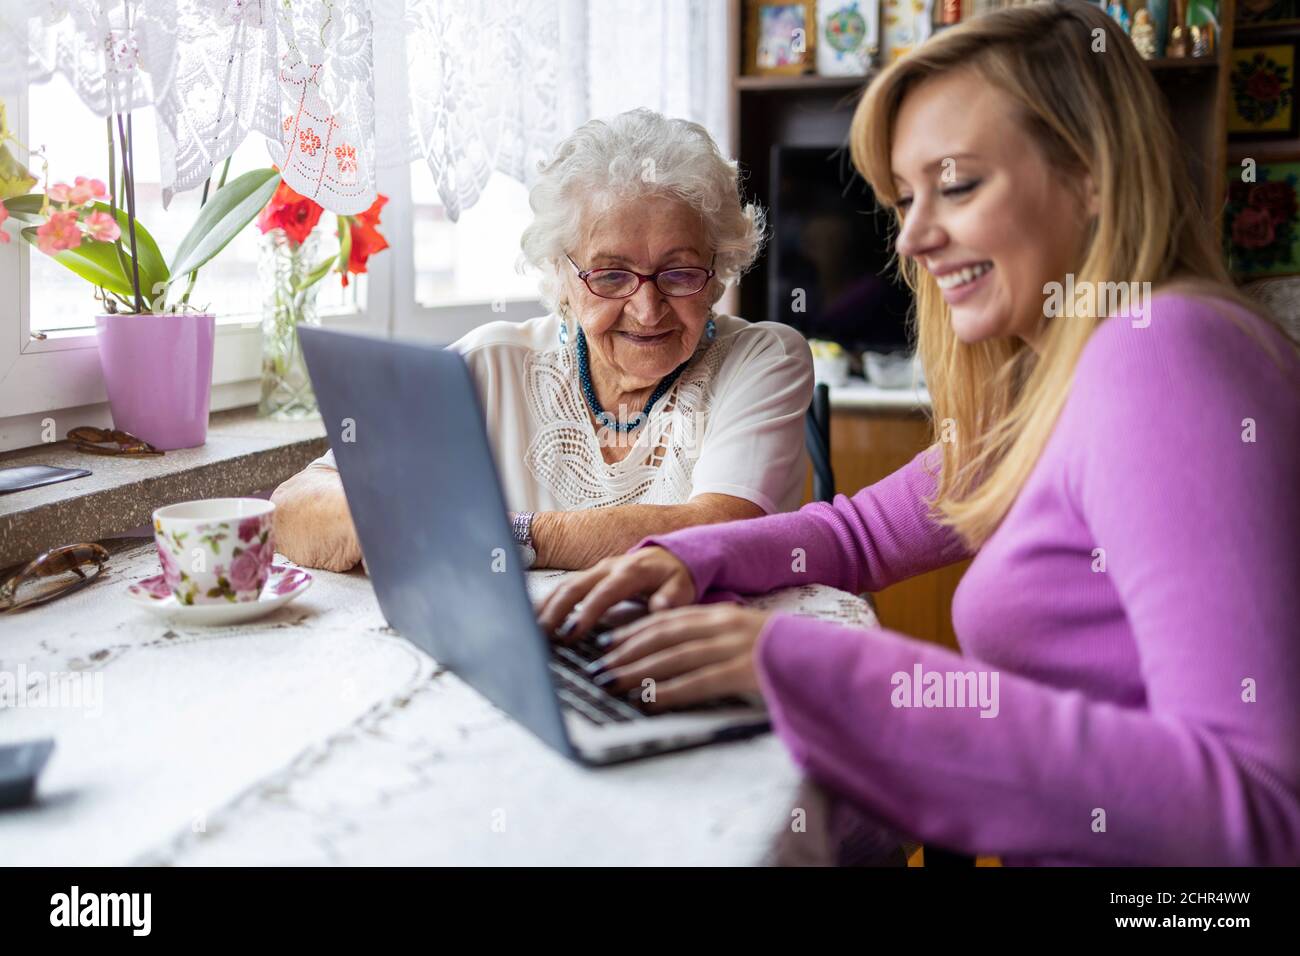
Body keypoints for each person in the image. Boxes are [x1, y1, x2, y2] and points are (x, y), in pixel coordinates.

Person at [538, 2, 1300, 865]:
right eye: (906, 198)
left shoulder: (1163, 355)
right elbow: (860, 535)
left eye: (959, 185)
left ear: (1092, 175)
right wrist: (686, 557)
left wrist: (804, 667)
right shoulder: (1056, 381)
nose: (913, 236)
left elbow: (1259, 813)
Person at [271, 108, 812, 572]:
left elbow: (719, 530)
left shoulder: (763, 359)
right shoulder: (488, 367)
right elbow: (296, 505)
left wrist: (499, 536)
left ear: (719, 272)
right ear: (560, 274)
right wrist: (389, 521)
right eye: (610, 275)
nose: (647, 310)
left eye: (679, 273)